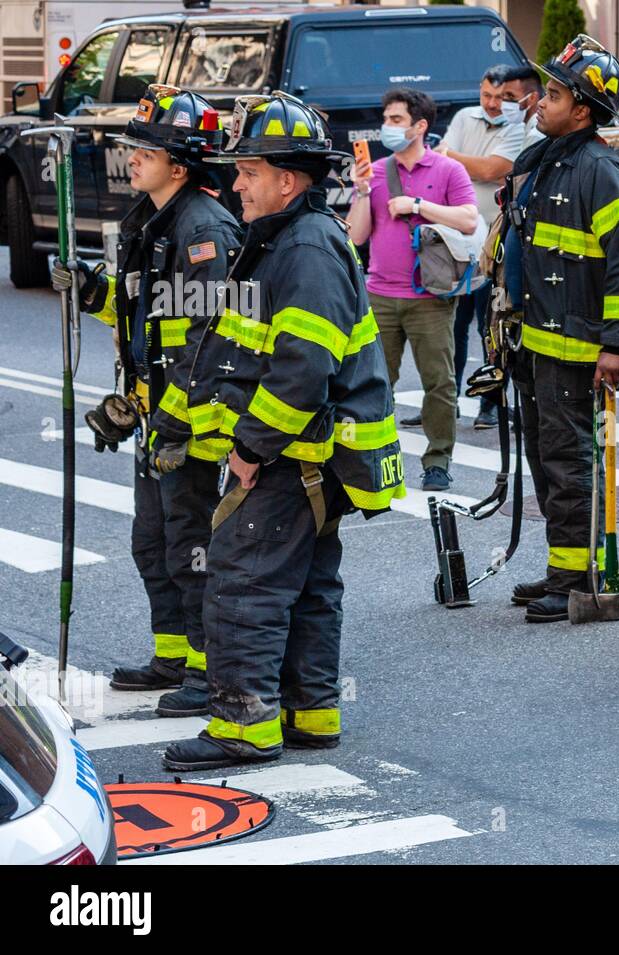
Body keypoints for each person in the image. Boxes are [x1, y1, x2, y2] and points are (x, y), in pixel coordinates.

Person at [161, 92, 406, 771]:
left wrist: (248, 448)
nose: (236, 183)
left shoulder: (304, 250)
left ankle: (245, 726)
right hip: (312, 460)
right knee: (304, 586)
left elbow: (301, 371)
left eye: (249, 172)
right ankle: (311, 714)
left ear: (287, 181)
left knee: (243, 582)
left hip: (290, 458)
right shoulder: (287, 240)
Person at [53, 85, 241, 716]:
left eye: (146, 149)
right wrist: (90, 291)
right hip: (155, 418)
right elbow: (146, 319)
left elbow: (213, 339)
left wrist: (175, 421)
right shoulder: (154, 222)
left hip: (188, 424)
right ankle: (173, 658)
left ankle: (208, 667)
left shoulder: (204, 230)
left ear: (180, 165)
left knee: (191, 547)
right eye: (133, 145)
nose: (131, 157)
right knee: (153, 542)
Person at [501, 35, 619, 623]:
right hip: (539, 342)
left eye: (555, 94)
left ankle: (577, 576)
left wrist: (618, 345)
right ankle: (562, 565)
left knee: (569, 465)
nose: (540, 100)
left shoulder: (598, 169)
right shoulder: (547, 160)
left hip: (579, 351)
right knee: (548, 458)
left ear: (583, 111)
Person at [346, 88, 478, 492]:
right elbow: (356, 235)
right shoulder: (378, 171)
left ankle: (437, 460)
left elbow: (469, 220)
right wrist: (364, 192)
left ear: (420, 126)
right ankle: (369, 460)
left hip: (430, 297)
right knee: (372, 382)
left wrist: (417, 205)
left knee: (438, 382)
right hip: (380, 295)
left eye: (397, 120)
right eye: (386, 119)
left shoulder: (447, 170)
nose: (388, 127)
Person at [438, 65, 528, 431]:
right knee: (452, 328)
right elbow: (443, 166)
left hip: (495, 245)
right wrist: (464, 165)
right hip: (458, 243)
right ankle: (449, 401)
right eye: (487, 96)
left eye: (502, 97)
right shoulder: (463, 117)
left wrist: (455, 159)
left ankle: (491, 405)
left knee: (490, 328)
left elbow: (495, 170)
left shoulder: (519, 127)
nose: (493, 104)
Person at [500, 64, 547, 149]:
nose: (504, 102)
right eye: (503, 96)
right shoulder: (530, 128)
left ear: (532, 98)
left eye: (511, 96)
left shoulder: (536, 135)